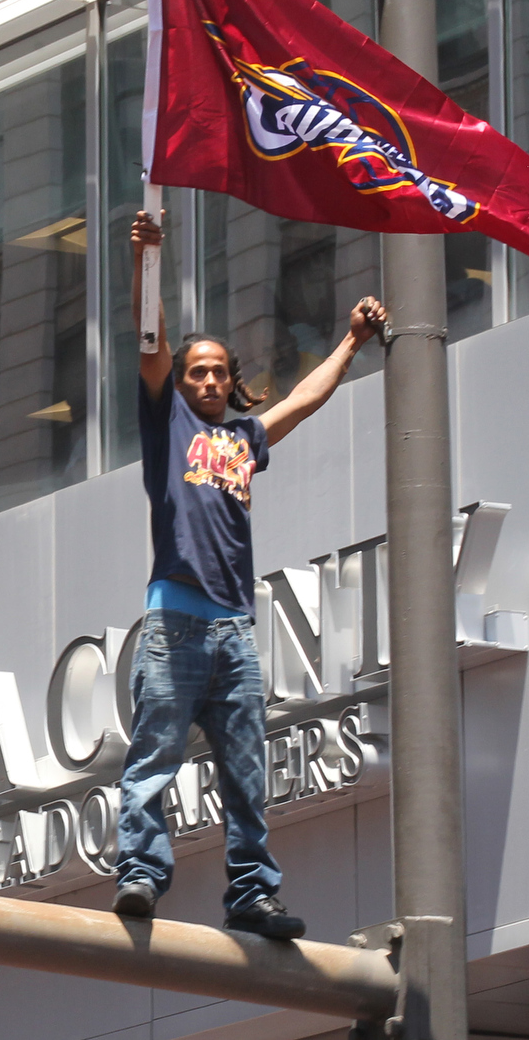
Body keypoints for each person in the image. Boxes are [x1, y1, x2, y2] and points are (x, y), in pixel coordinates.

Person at [111, 211, 386, 940]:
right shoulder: (167, 426)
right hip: (175, 621)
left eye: (215, 371)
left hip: (234, 630)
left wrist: (352, 341)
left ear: (232, 384)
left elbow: (302, 400)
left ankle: (251, 894)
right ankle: (140, 872)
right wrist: (147, 259)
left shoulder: (241, 439)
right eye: (194, 370)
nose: (203, 378)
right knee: (153, 759)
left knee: (248, 777)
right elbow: (152, 343)